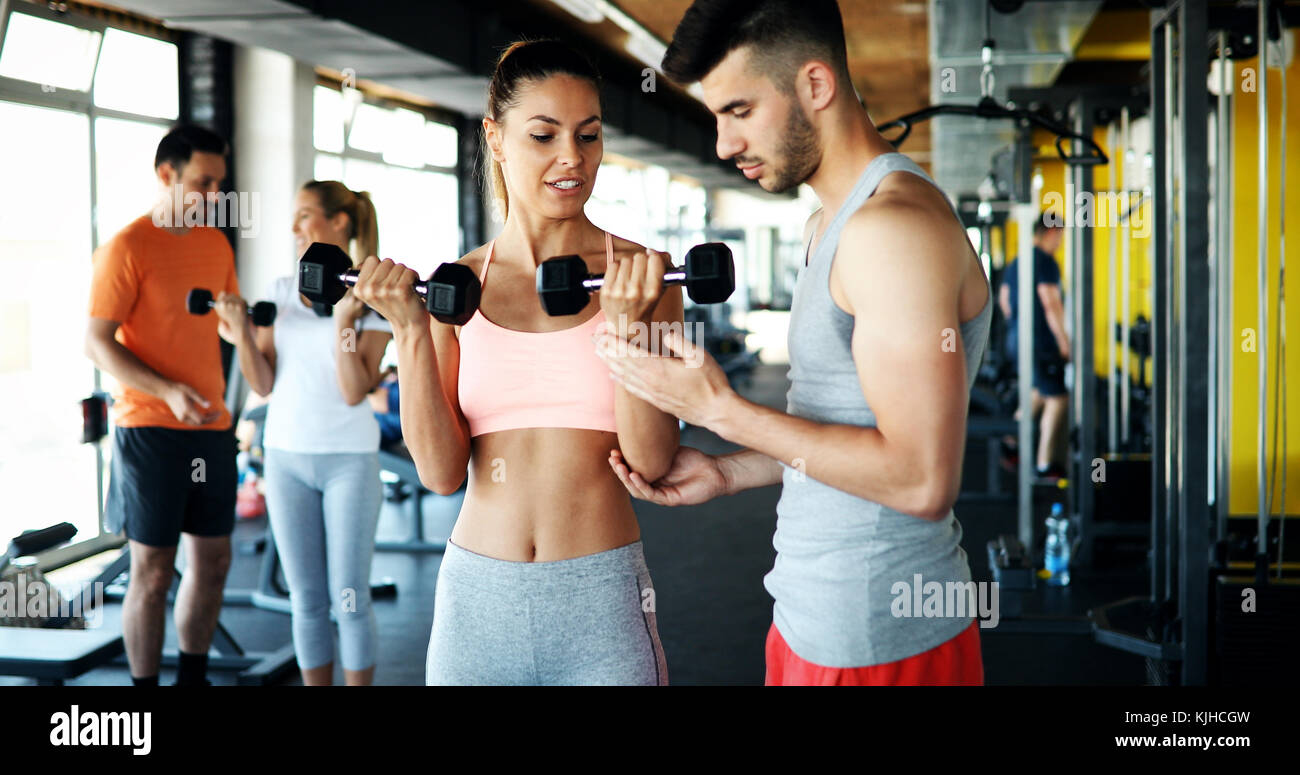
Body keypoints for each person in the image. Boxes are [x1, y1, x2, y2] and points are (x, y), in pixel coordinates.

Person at [596, 0, 990, 686]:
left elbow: (923, 480)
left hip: (880, 637)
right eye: (718, 116)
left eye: (740, 111)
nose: (722, 144)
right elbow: (849, 429)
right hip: (811, 615)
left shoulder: (892, 229)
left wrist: (723, 409)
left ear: (815, 85)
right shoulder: (827, 225)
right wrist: (733, 469)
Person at [349, 39, 678, 685]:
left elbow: (652, 460)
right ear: (496, 139)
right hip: (477, 597)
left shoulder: (644, 277)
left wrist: (626, 326)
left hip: (601, 595)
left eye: (588, 135)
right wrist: (413, 331)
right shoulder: (458, 285)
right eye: (543, 134)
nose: (571, 158)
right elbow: (442, 472)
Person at [86, 124, 254, 686]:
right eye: (204, 183)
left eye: (220, 185)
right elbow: (96, 342)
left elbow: (227, 333)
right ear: (167, 175)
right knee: (153, 574)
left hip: (210, 427)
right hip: (150, 429)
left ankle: (193, 678)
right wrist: (167, 391)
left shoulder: (214, 243)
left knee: (213, 562)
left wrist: (238, 328)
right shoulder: (127, 247)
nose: (214, 196)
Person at [235, 181, 392, 686]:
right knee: (305, 598)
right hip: (285, 457)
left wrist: (345, 317)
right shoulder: (281, 291)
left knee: (349, 595)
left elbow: (353, 391)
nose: (294, 227)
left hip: (349, 459)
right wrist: (240, 334)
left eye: (305, 215)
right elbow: (262, 382)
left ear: (339, 223)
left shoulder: (374, 298)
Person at [998, 217, 1069, 478]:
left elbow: (1005, 302)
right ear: (1051, 232)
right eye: (1060, 236)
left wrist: (1019, 327)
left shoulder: (1017, 262)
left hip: (1017, 340)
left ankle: (1011, 443)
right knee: (1059, 398)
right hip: (1040, 342)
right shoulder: (1046, 262)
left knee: (1038, 391)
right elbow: (1050, 302)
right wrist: (1064, 342)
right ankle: (1044, 464)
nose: (1060, 243)